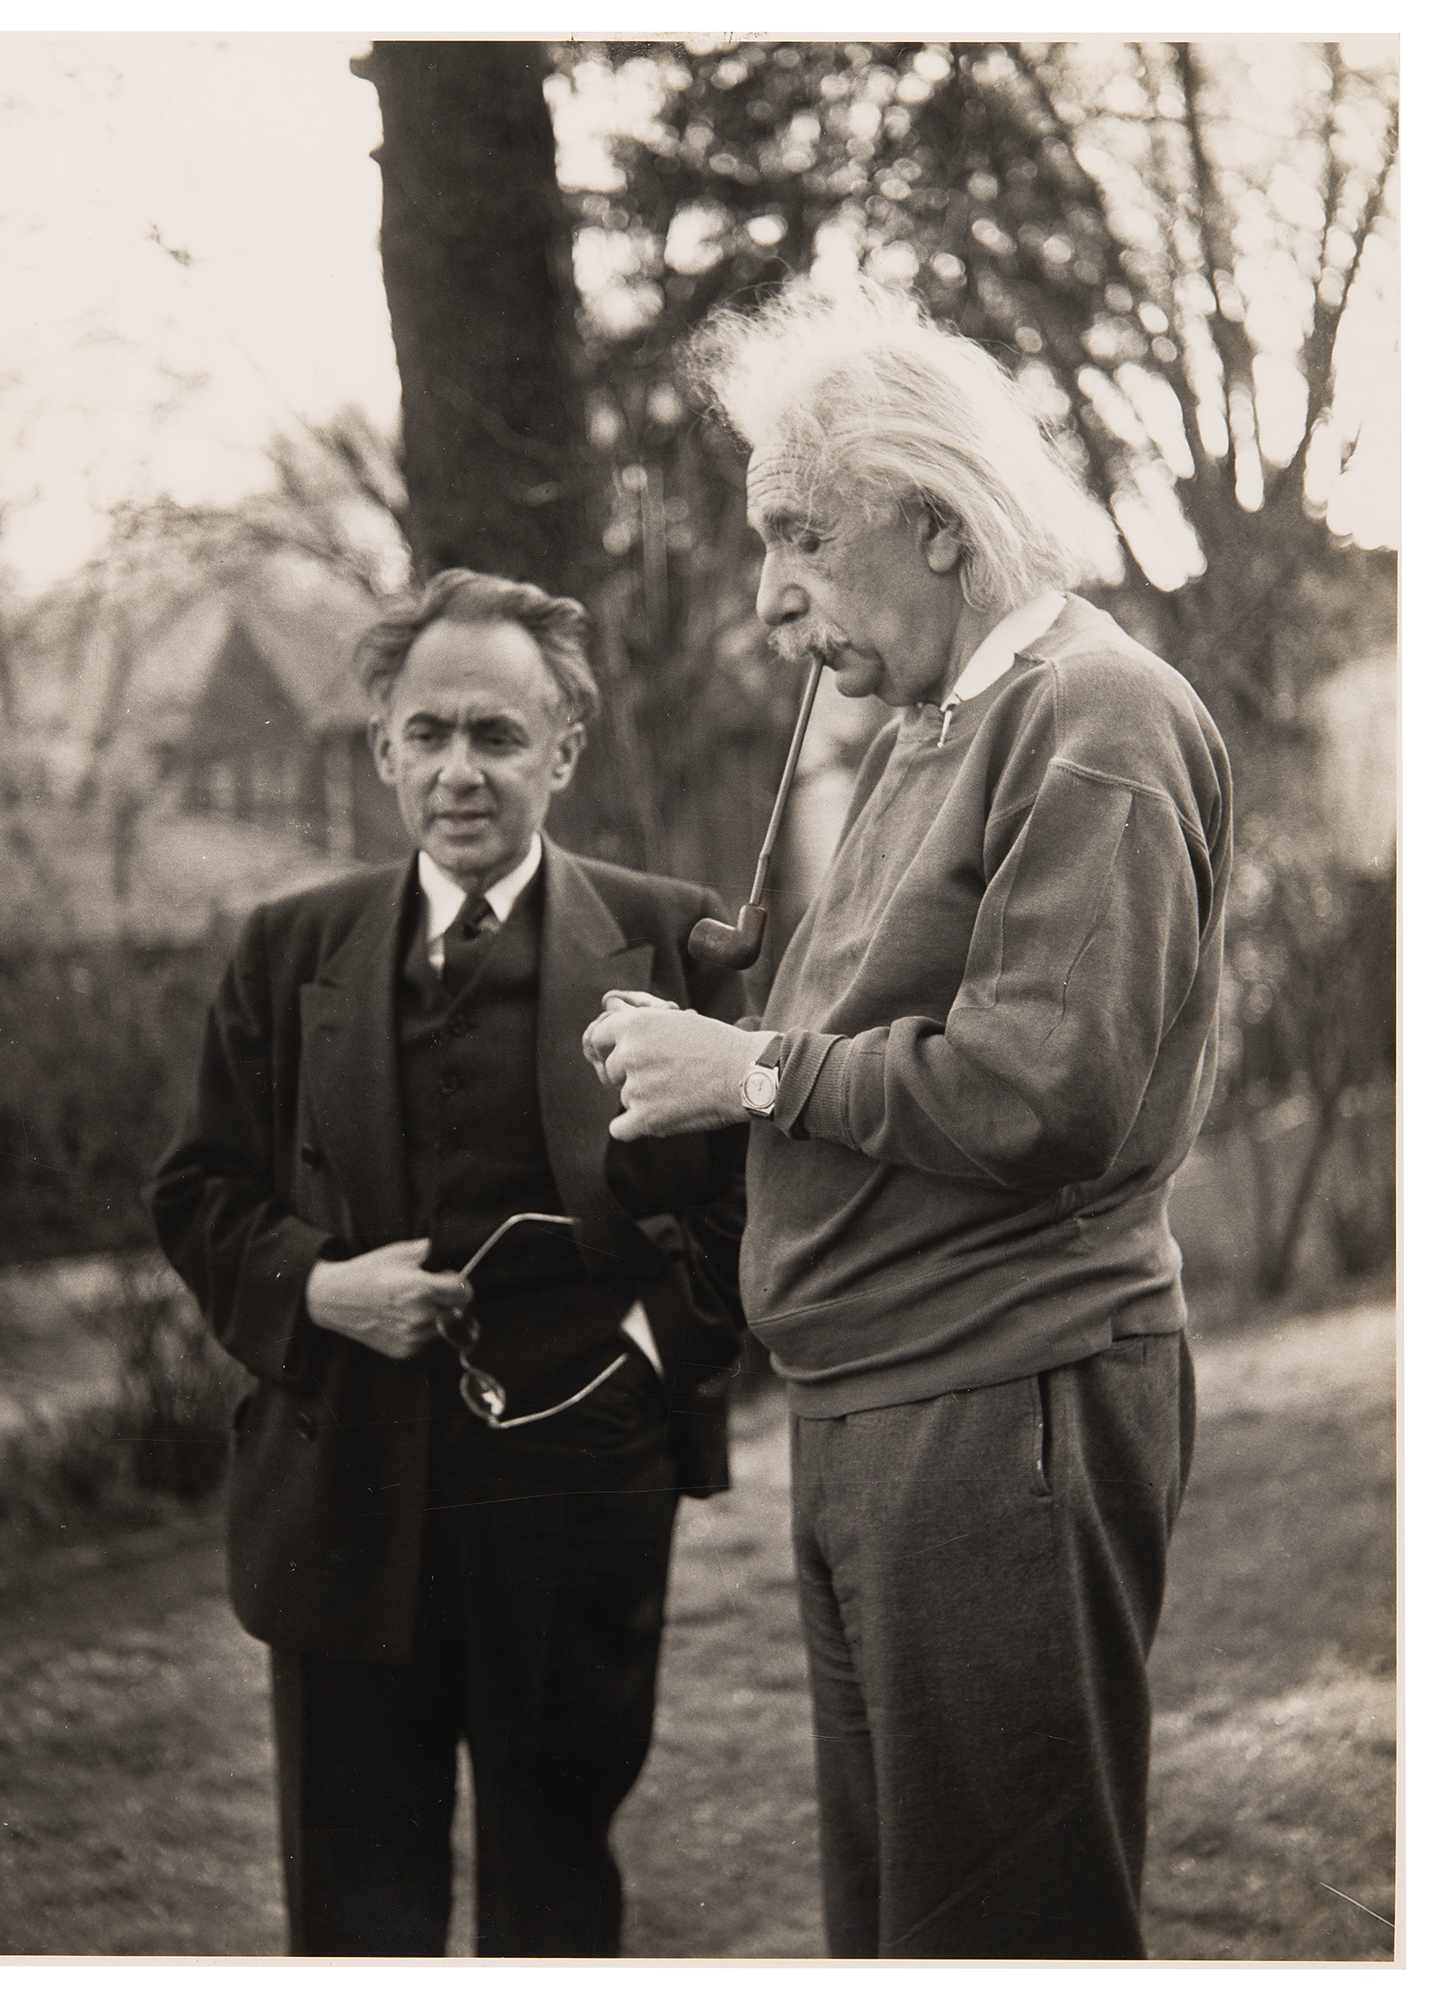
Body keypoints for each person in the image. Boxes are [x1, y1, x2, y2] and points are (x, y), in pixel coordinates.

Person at [584, 282, 1232, 1961]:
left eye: (800, 534)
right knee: (898, 1932)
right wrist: (744, 1034)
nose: (770, 595)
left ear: (938, 525)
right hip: (886, 1402)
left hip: (996, 1403)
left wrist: (751, 1075)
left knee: (1004, 1932)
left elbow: (1042, 1092)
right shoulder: (937, 727)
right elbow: (886, 1033)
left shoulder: (1095, 719)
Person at [151, 569, 747, 1958]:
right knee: (356, 1916)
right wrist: (314, 1288)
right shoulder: (286, 950)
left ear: (564, 750)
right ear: (381, 752)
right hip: (342, 1492)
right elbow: (198, 1188)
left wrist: (644, 1368)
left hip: (575, 1507)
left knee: (555, 1897)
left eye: (495, 735)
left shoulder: (674, 939)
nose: (459, 772)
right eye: (428, 736)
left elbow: (748, 1212)